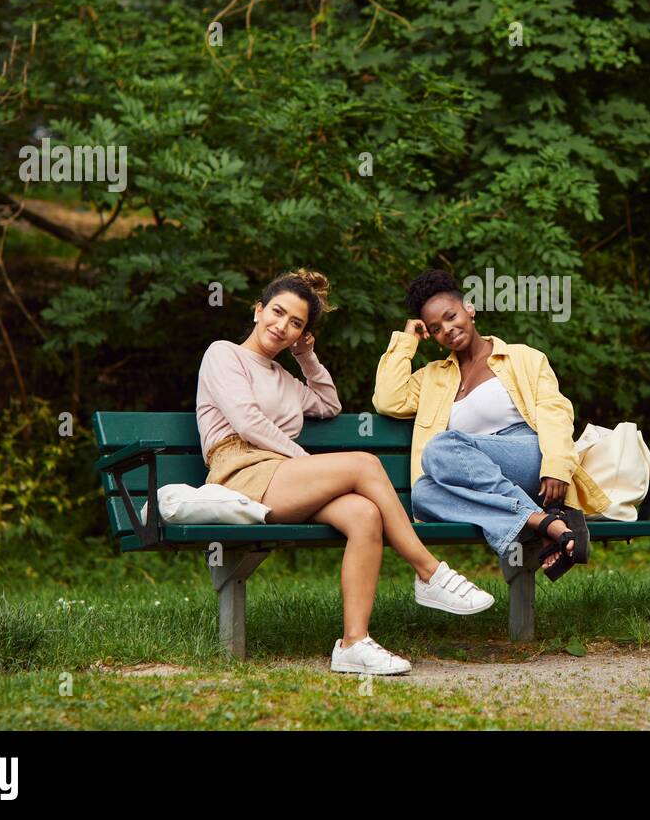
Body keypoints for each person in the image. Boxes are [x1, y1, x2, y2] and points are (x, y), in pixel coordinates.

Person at [195, 268, 493, 677]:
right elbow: (247, 423)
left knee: (364, 515)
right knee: (364, 463)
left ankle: (354, 643)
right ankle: (429, 572)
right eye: (277, 313)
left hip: (281, 477)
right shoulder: (223, 354)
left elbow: (328, 404)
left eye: (296, 323)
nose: (282, 326)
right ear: (258, 310)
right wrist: (302, 460)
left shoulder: (284, 376)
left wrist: (306, 356)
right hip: (240, 472)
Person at [372, 269, 612, 580]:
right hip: (486, 480)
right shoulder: (432, 377)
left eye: (451, 316)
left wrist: (556, 465)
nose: (448, 329)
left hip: (530, 459)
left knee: (441, 447)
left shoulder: (522, 358)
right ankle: (543, 523)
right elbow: (387, 400)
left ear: (469, 309)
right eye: (436, 327)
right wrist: (407, 340)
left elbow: (555, 411)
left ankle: (542, 518)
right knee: (422, 494)